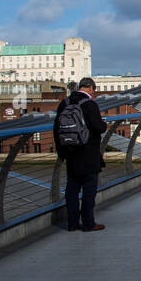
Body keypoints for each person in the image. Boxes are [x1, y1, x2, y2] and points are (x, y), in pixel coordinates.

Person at [53, 76, 107, 231]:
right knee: (89, 190)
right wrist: (104, 124)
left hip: (70, 152)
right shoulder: (90, 104)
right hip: (88, 152)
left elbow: (56, 129)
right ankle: (89, 223)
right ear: (91, 88)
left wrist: (61, 151)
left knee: (72, 189)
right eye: (94, 91)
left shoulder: (65, 103)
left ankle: (72, 223)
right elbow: (98, 127)